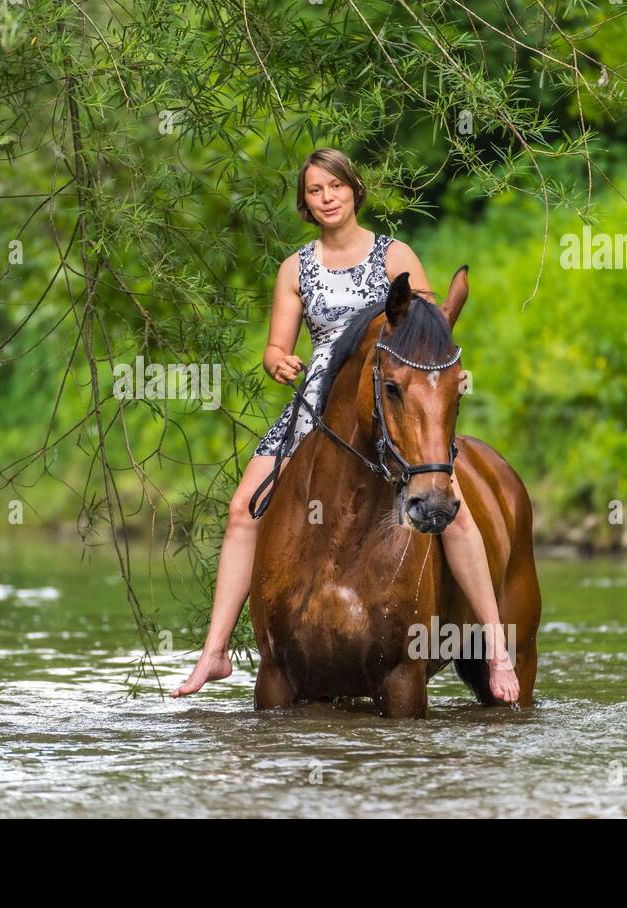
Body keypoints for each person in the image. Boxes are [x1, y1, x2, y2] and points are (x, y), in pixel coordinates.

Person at [172, 148, 520, 703]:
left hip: (396, 402)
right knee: (244, 508)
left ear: (354, 191)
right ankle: (214, 653)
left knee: (452, 513)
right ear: (305, 204)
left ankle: (497, 651)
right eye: (315, 191)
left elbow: (427, 336)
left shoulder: (394, 255)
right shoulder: (296, 267)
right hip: (318, 402)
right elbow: (276, 347)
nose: (327, 197)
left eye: (335, 187)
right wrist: (277, 361)